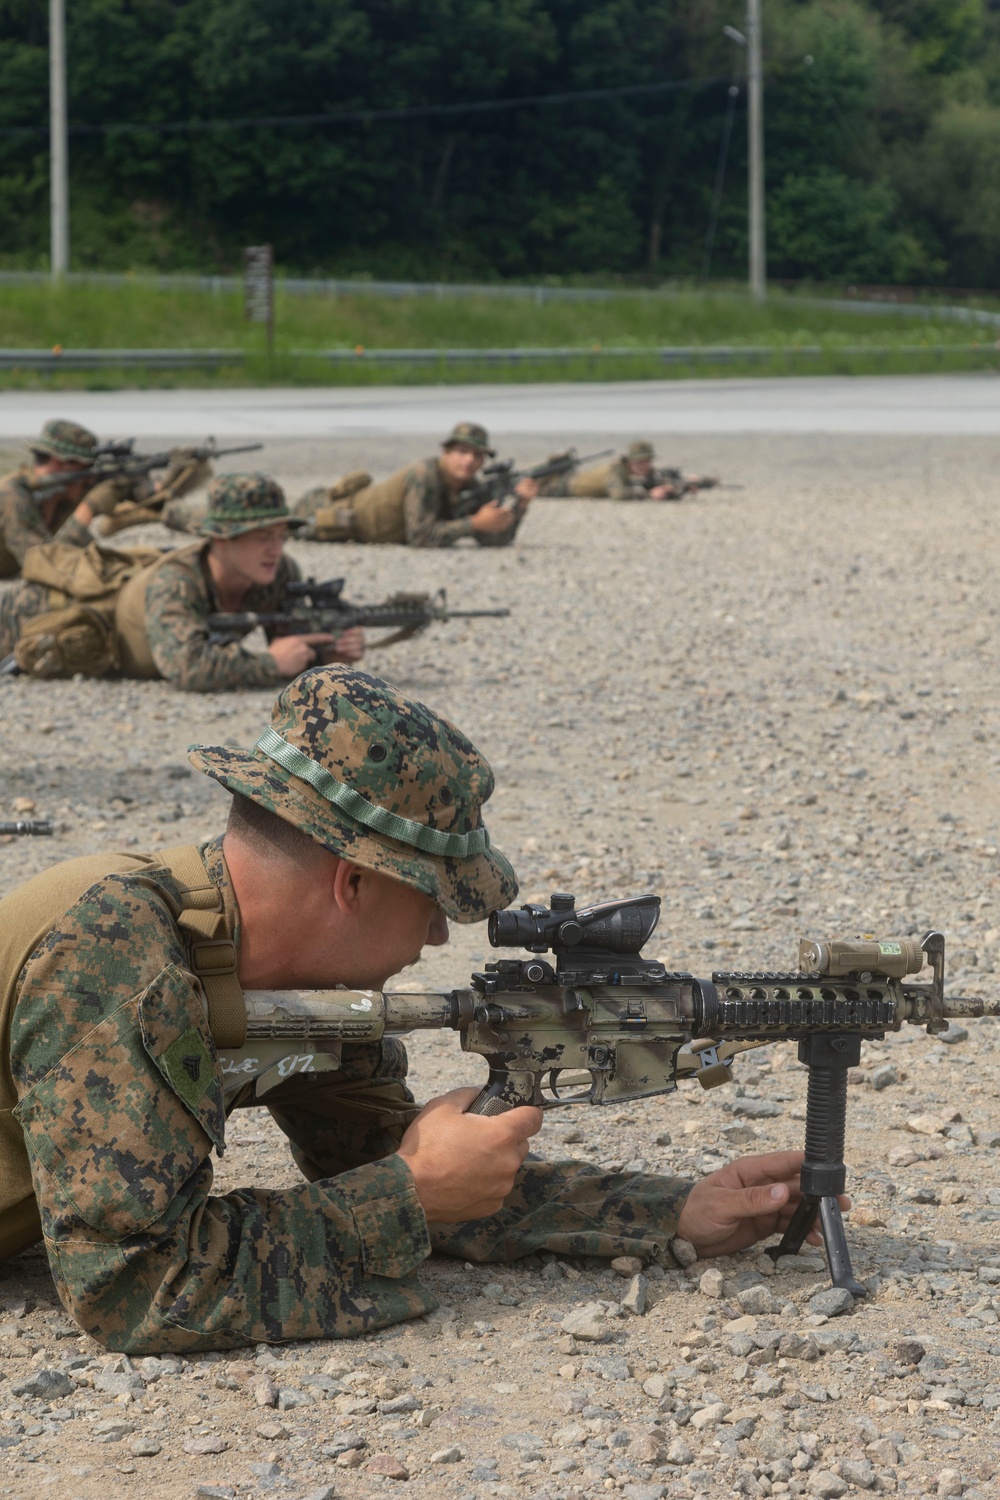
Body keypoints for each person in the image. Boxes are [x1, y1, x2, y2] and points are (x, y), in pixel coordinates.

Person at [0, 664, 845, 1352]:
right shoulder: (114, 956)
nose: (439, 934)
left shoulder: (281, 971)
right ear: (353, 884)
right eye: (435, 902)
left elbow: (380, 1156)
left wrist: (669, 1214)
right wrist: (406, 1195)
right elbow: (139, 1285)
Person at [0, 473, 364, 690]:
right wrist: (269, 664)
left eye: (281, 535)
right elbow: (185, 667)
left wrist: (325, 653)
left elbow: (288, 643)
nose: (276, 549)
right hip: (37, 611)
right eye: (262, 537)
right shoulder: (177, 580)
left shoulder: (278, 571)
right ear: (221, 539)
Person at [291, 421, 539, 546]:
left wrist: (520, 506)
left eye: (477, 455)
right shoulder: (424, 475)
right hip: (325, 514)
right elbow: (420, 536)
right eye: (462, 452)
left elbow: (495, 539)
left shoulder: (470, 488)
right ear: (446, 453)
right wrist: (473, 523)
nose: (469, 461)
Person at [0, 419, 124, 577]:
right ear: (59, 462)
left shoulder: (59, 495)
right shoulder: (12, 495)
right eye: (86, 468)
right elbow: (44, 566)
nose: (89, 479)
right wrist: (88, 509)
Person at [539, 439, 712, 502]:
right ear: (629, 461)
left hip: (565, 482)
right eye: (640, 462)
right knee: (532, 486)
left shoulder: (642, 471)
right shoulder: (615, 470)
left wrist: (684, 485)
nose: (645, 466)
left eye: (648, 461)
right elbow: (618, 494)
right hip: (560, 486)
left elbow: (659, 480)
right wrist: (649, 495)